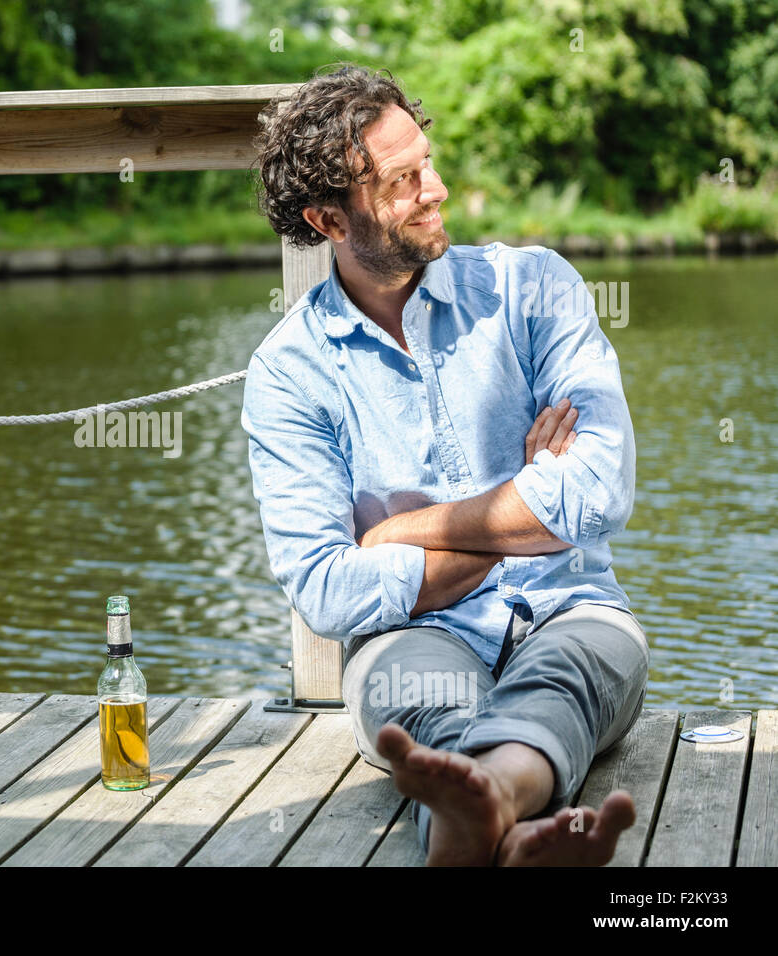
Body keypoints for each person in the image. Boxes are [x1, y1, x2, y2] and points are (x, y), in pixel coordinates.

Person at [242, 63, 649, 865]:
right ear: (329, 220)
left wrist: (401, 533)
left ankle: (478, 815)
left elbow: (599, 492)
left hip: (571, 606)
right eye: (402, 181)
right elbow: (324, 587)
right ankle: (497, 814)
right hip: (411, 631)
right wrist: (525, 513)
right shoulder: (289, 371)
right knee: (426, 708)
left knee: (567, 674)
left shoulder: (537, 287)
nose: (437, 189)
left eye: (427, 160)